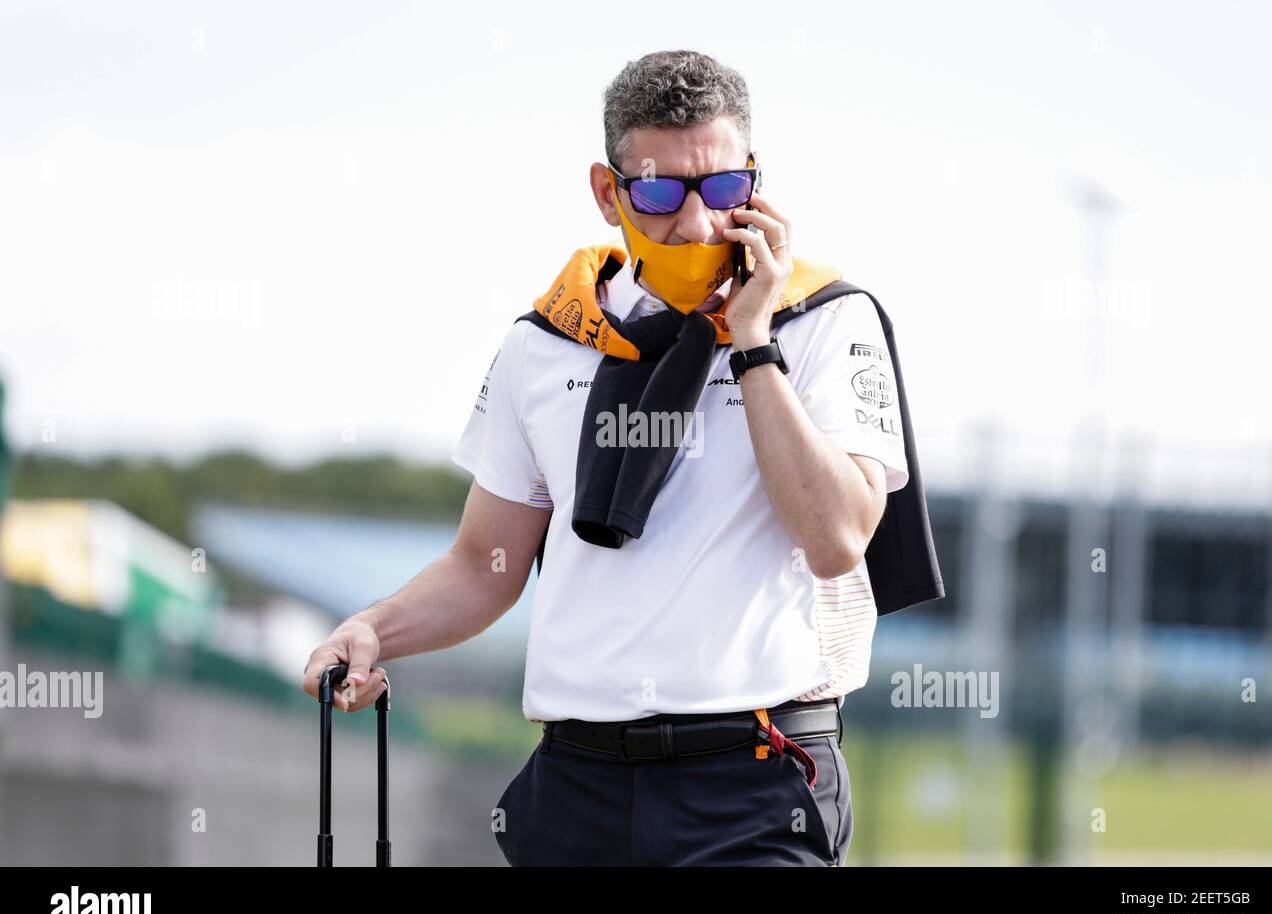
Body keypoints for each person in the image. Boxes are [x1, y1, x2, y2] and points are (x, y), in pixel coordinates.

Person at [303, 49, 943, 866]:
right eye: (659, 192)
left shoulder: (822, 320)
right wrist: (370, 631)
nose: (698, 223)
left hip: (755, 781)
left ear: (753, 181)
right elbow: (484, 565)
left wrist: (751, 343)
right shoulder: (545, 341)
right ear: (609, 194)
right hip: (578, 785)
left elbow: (836, 536)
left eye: (721, 190)